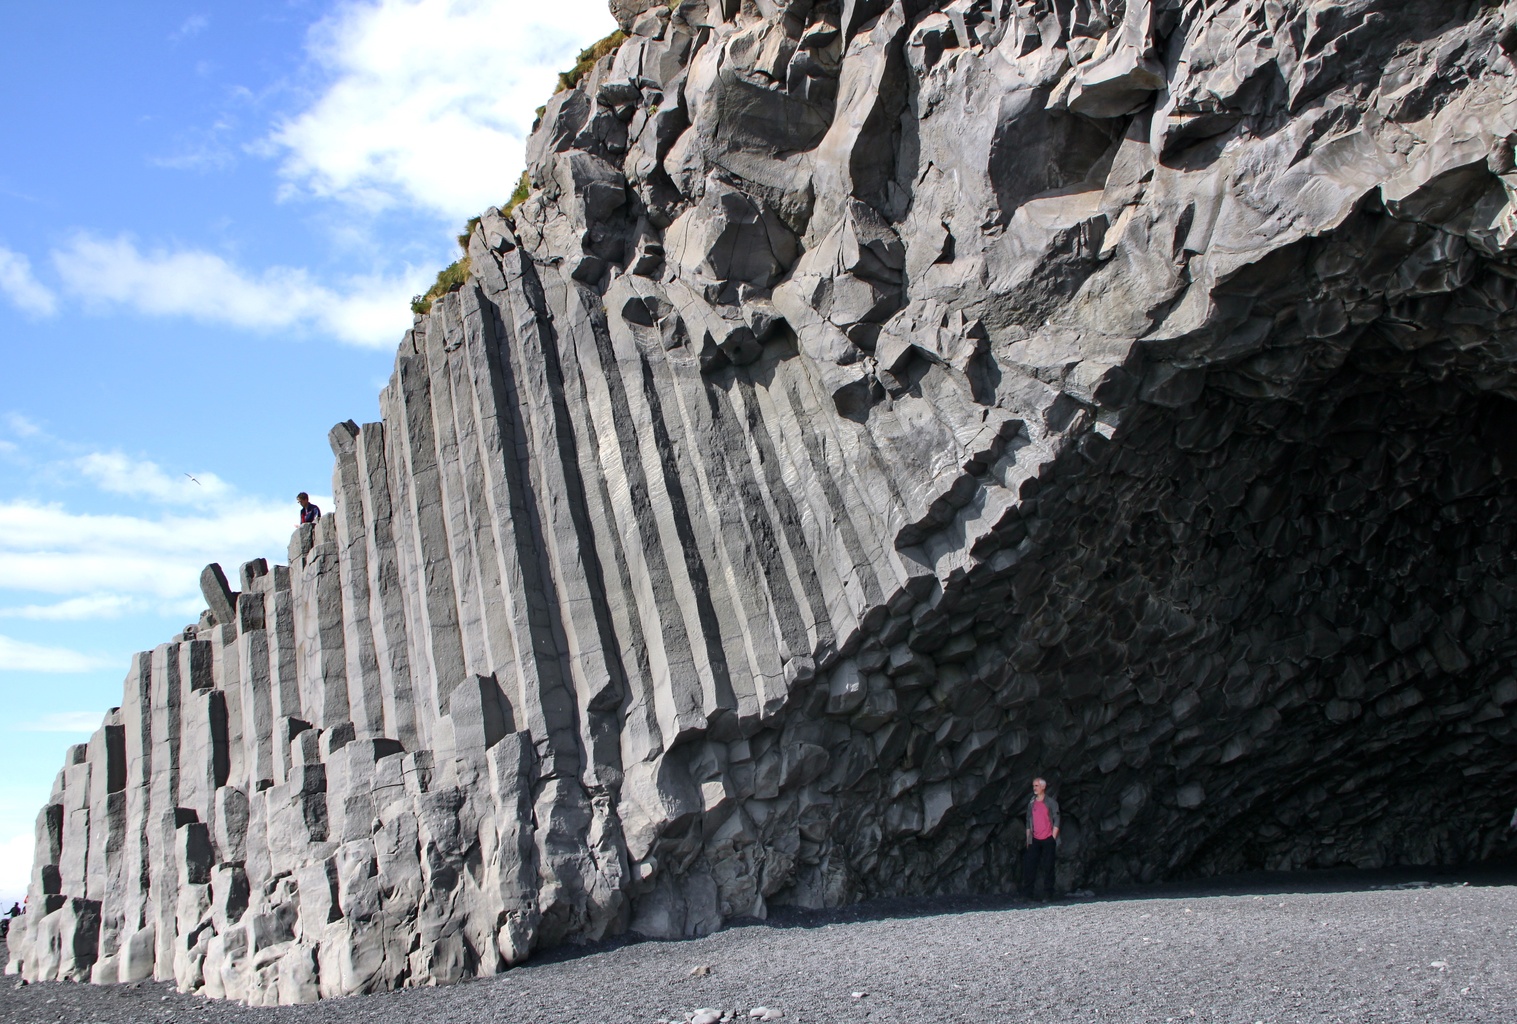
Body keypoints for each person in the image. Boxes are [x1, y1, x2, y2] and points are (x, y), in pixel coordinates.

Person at [1021, 776, 1060, 900]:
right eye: (1033, 786)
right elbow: (1028, 821)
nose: (1034, 788)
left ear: (1043, 787)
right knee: (1030, 866)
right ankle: (1028, 894)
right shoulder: (1031, 804)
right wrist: (1028, 840)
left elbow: (1057, 819)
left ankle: (1048, 894)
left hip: (1047, 838)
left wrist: (1053, 837)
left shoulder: (1051, 803)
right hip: (1034, 839)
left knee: (1048, 867)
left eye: (1036, 786)